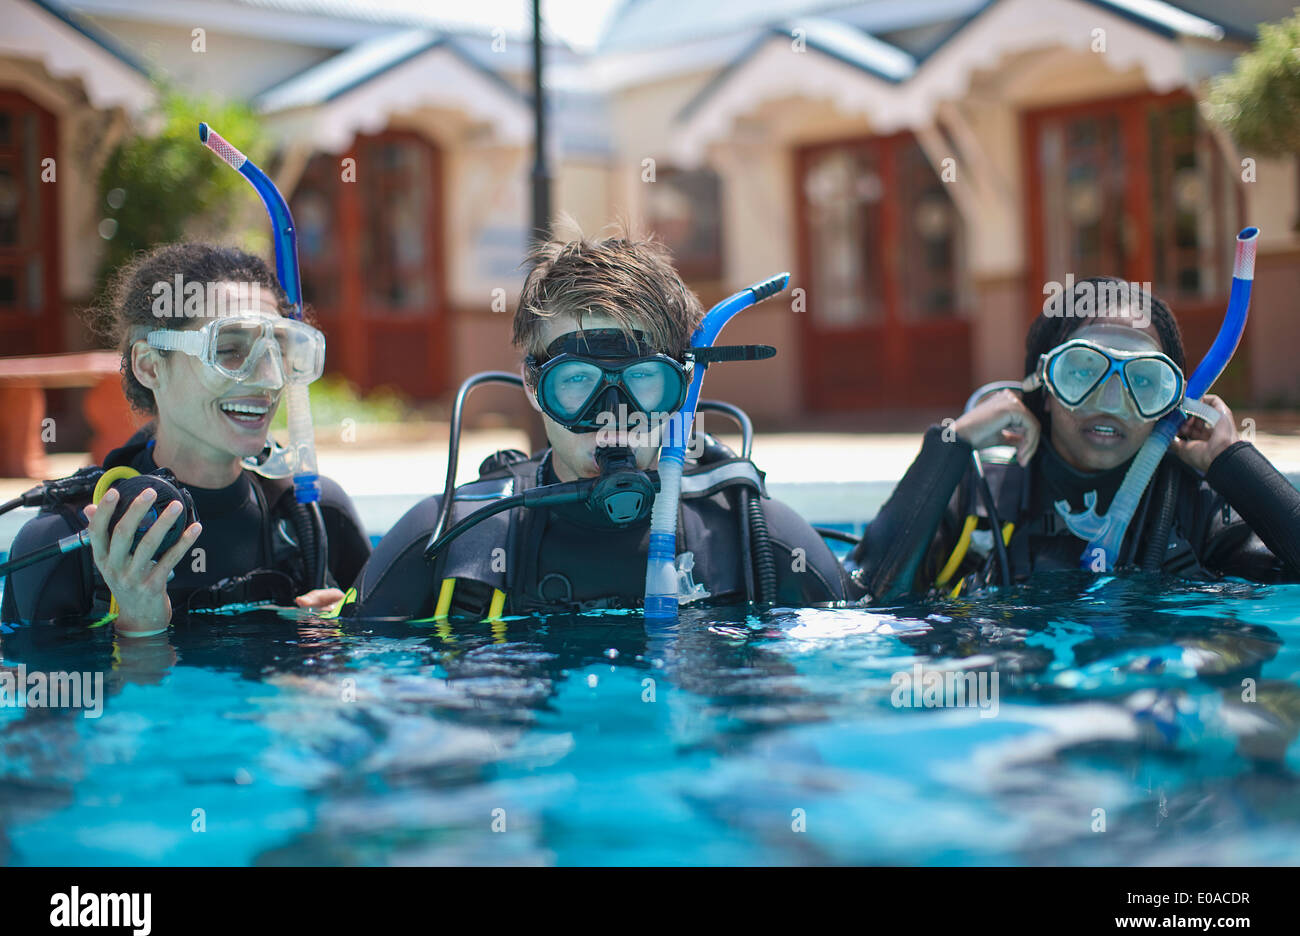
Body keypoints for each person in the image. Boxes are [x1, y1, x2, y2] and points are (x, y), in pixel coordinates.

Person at [346, 232, 873, 619]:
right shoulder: (451, 543)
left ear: (685, 390)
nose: (610, 413)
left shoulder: (756, 538)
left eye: (644, 379)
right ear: (533, 385)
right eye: (576, 381)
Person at [1, 242, 370, 634]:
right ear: (150, 367)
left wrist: (337, 646)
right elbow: (39, 691)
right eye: (229, 349)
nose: (269, 378)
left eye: (277, 351)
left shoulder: (317, 517)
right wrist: (138, 629)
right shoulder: (63, 543)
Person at [853, 277, 1300, 600]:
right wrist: (954, 443)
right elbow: (866, 597)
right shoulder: (981, 492)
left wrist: (1234, 461)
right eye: (1082, 372)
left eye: (1142, 381)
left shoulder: (1192, 502)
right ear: (1043, 388)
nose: (1109, 401)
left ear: (1171, 405)